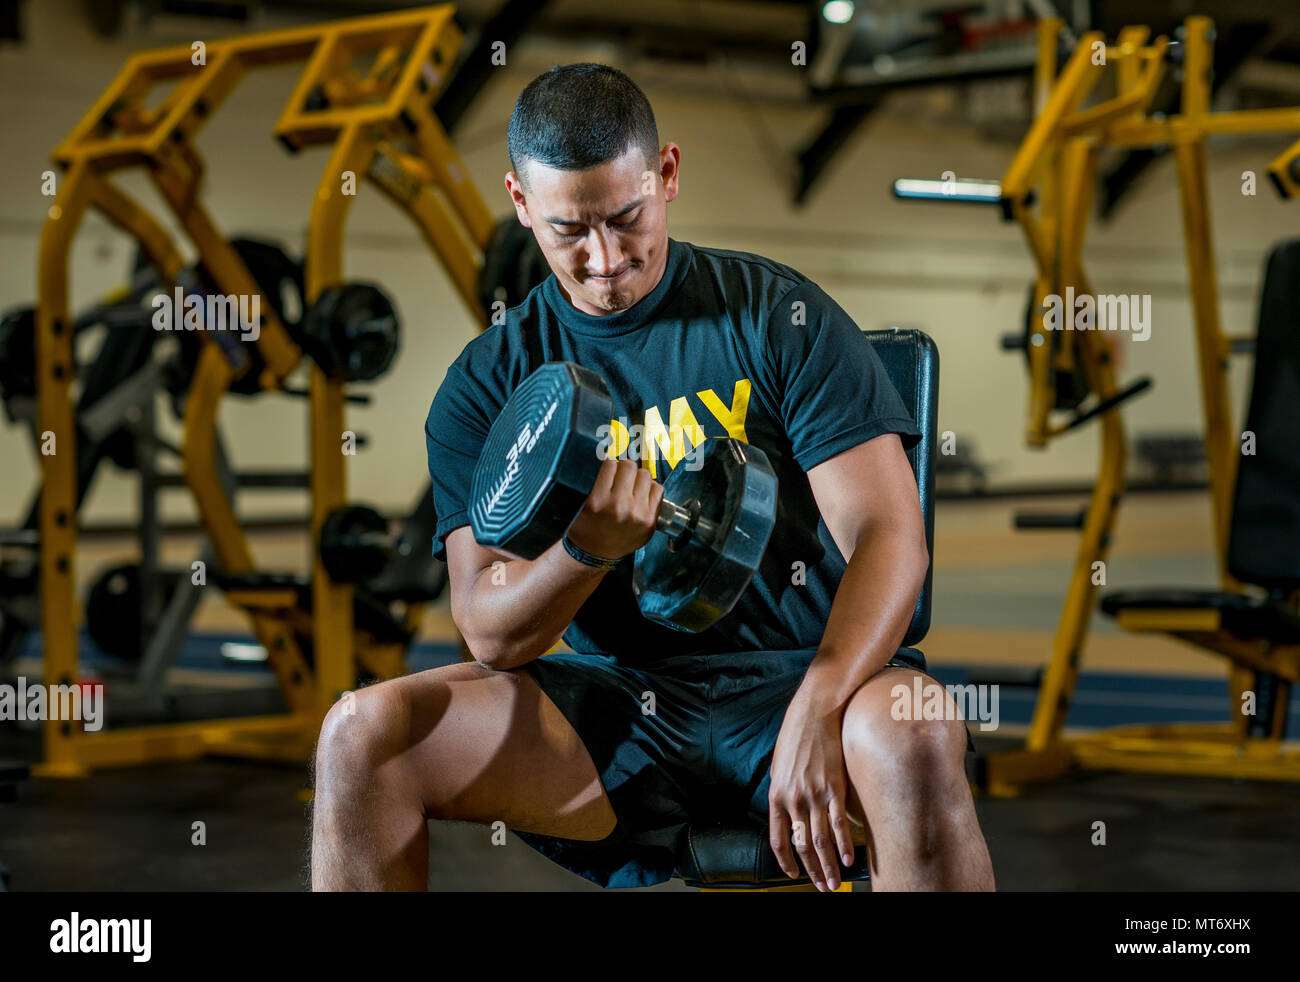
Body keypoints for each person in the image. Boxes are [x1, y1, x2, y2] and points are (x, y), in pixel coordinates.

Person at [311, 63, 995, 892]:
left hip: (806, 673)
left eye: (627, 217)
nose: (604, 260)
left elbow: (892, 538)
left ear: (666, 175)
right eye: (569, 230)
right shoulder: (489, 384)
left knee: (915, 737)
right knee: (362, 736)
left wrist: (818, 705)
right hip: (616, 704)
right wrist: (584, 552)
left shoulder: (777, 317)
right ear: (521, 205)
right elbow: (490, 631)